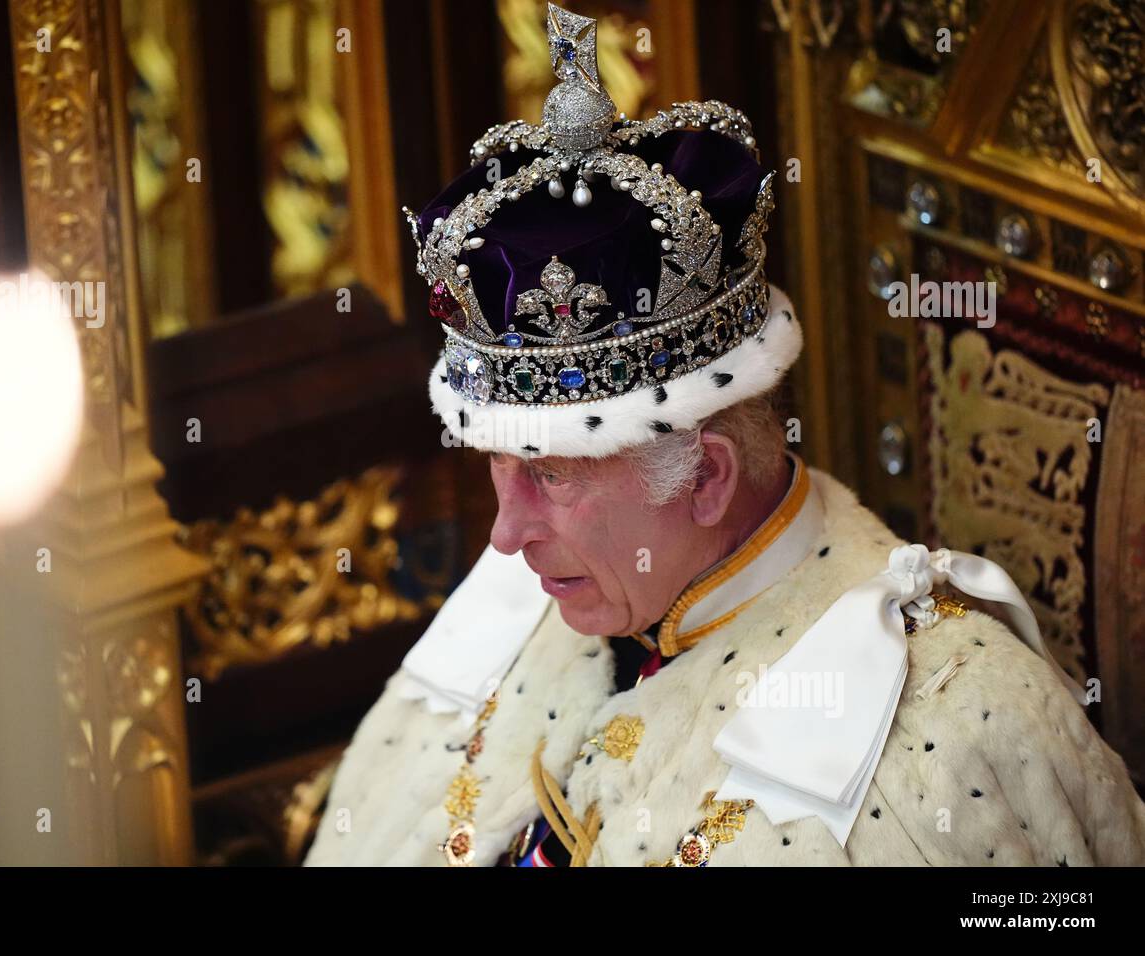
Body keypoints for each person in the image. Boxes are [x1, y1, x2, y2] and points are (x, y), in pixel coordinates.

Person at [304, 3, 1145, 867]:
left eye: (551, 477)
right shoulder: (564, 588)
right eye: (500, 467)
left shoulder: (952, 730)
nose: (504, 536)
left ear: (707, 477)